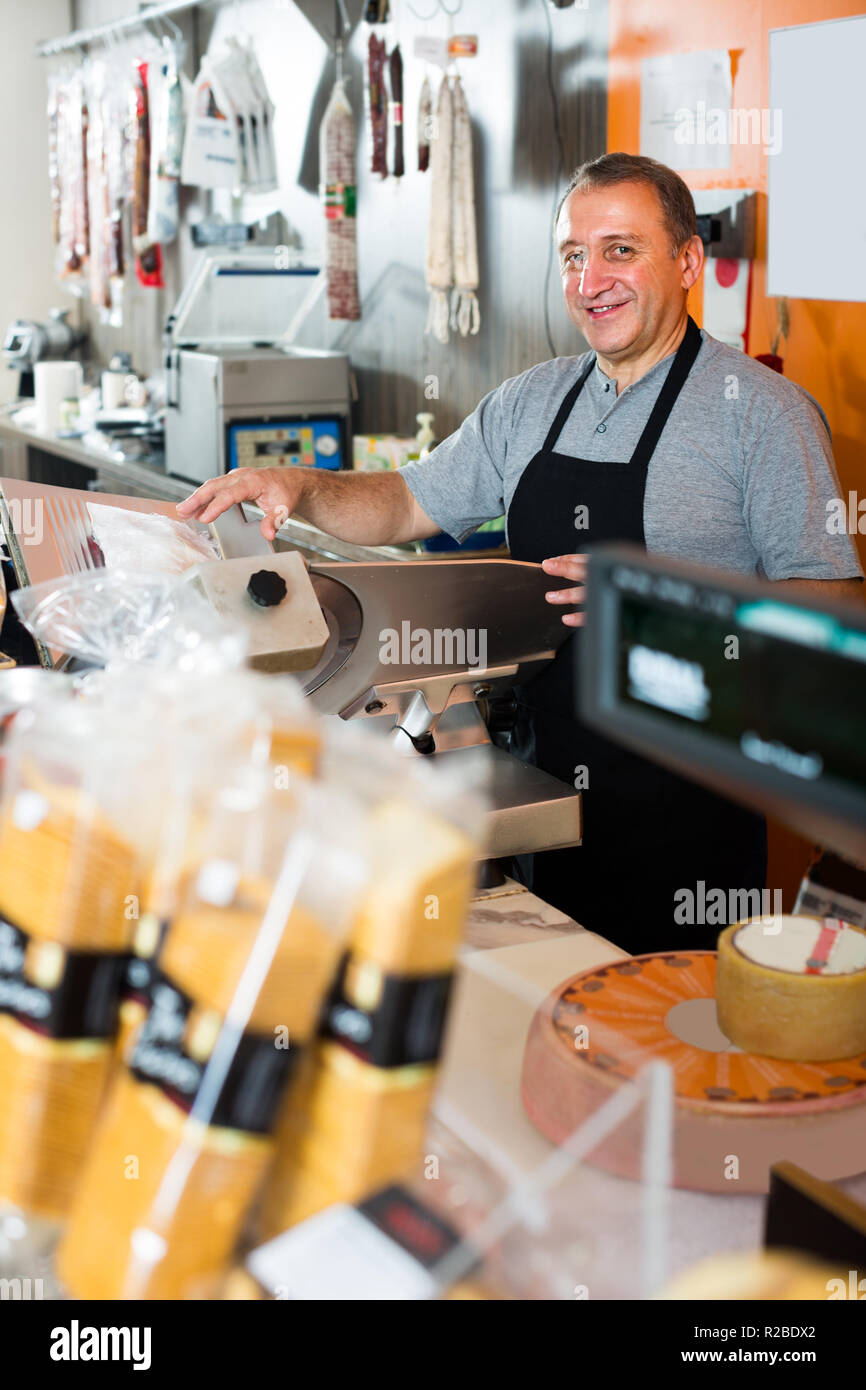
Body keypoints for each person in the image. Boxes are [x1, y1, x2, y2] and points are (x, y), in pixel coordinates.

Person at [178, 152, 863, 955]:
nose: (590, 278)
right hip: (541, 779)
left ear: (686, 262)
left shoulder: (765, 416)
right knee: (549, 998)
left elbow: (835, 610)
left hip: (691, 810)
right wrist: (297, 484)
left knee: (667, 1038)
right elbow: (408, 500)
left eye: (620, 249)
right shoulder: (533, 400)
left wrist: (659, 603)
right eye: (573, 255)